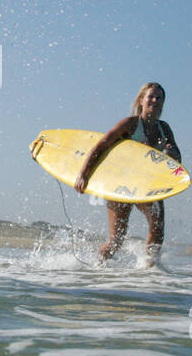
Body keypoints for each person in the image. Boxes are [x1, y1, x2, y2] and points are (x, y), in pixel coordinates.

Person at [74, 82, 182, 266]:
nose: (155, 101)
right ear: (142, 100)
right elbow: (100, 146)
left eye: (159, 98)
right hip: (121, 185)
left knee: (158, 232)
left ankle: (149, 273)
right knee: (117, 240)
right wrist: (83, 174)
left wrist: (172, 154)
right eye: (151, 97)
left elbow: (177, 161)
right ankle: (95, 268)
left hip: (147, 186)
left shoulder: (165, 129)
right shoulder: (130, 124)